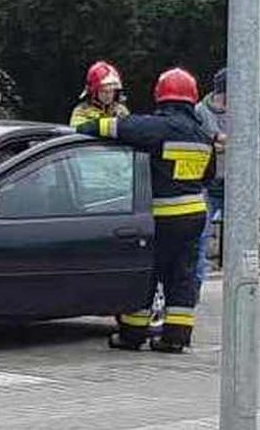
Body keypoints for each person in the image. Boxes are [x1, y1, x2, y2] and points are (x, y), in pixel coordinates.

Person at [76, 68, 213, 353]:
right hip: (194, 215)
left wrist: (83, 129)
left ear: (161, 97)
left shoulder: (156, 127)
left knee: (148, 272)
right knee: (182, 275)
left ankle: (132, 335)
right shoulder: (202, 136)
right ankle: (175, 338)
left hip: (162, 215)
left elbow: (113, 127)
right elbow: (208, 176)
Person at [192, 68, 229, 288]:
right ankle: (195, 287)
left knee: (241, 238)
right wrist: (217, 141)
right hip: (207, 182)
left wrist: (219, 141)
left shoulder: (242, 110)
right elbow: (196, 141)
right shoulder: (200, 111)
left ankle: (240, 287)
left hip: (234, 184)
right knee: (201, 237)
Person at [70, 61, 128, 126]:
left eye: (111, 91)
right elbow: (78, 128)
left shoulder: (121, 110)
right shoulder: (82, 111)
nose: (108, 95)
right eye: (103, 91)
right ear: (94, 92)